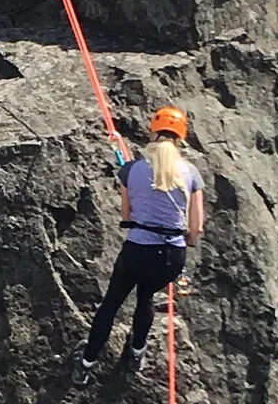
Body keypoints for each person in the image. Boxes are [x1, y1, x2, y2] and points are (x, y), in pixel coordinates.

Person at [81, 108, 205, 377]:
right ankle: (137, 351)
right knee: (146, 296)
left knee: (112, 303)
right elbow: (196, 226)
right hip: (171, 254)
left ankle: (87, 363)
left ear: (153, 133)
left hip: (137, 250)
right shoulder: (191, 173)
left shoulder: (131, 170)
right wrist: (188, 238)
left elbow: (127, 214)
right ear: (180, 138)